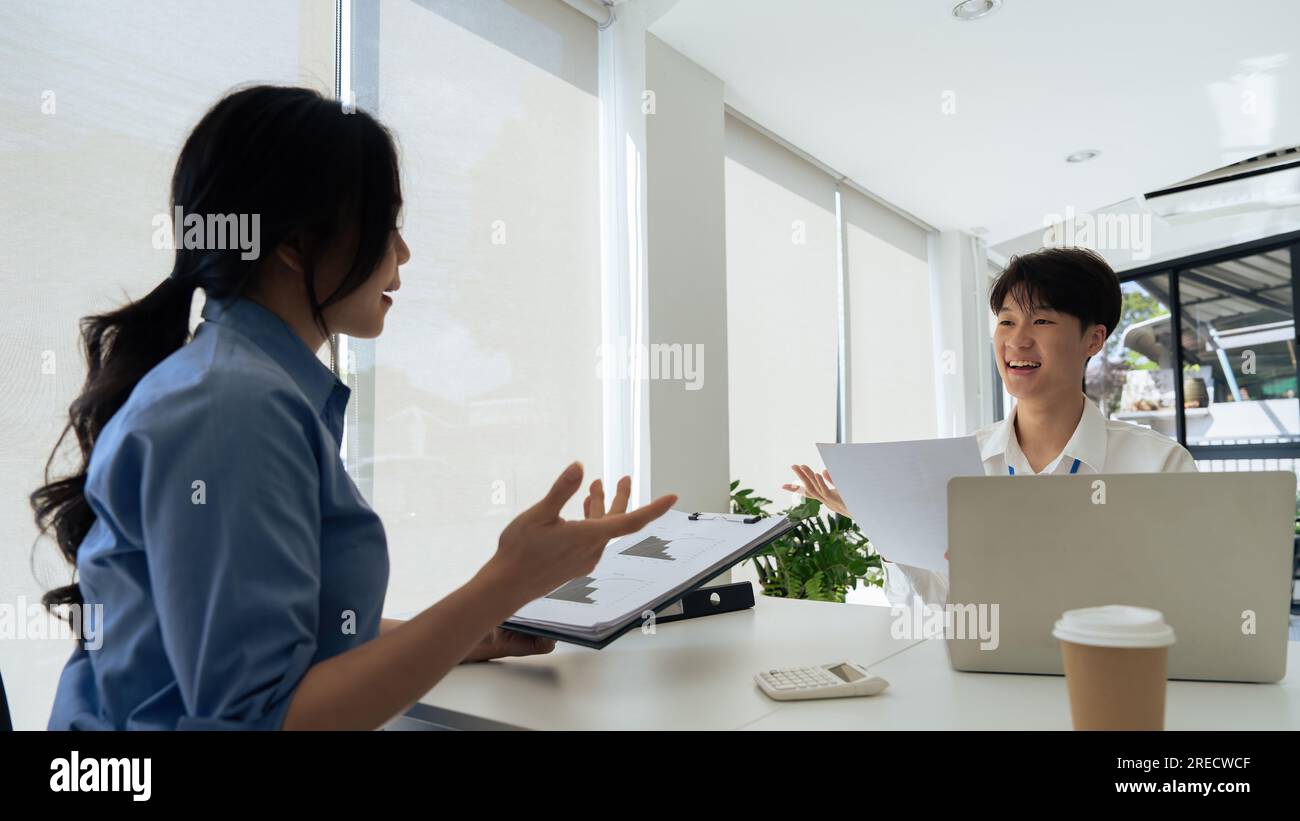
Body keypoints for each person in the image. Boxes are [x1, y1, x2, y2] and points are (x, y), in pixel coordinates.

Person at [34, 85, 675, 730]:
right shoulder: (233, 409)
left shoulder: (244, 388)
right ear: (294, 243)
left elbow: (301, 643)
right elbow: (261, 720)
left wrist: (482, 627)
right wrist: (503, 583)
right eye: (386, 223)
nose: (402, 253)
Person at [786, 247, 1195, 607]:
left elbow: (1183, 601)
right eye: (1006, 321)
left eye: (1042, 322)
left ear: (1093, 339)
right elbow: (930, 609)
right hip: (984, 682)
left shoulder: (1158, 466)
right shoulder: (961, 466)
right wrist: (888, 528)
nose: (1017, 340)